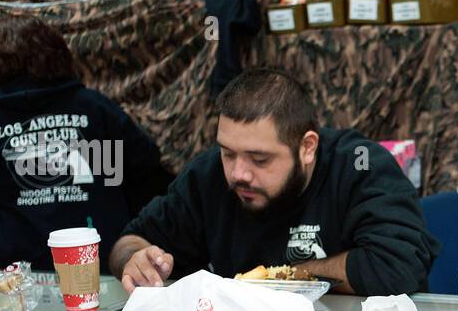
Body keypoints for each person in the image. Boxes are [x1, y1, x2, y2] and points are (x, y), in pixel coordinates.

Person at [111, 66, 439, 295]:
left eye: (260, 159)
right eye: (228, 153)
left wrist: (283, 279)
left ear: (307, 147)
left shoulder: (359, 166)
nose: (239, 173)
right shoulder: (208, 174)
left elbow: (399, 266)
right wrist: (137, 259)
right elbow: (128, 242)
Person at [0, 17, 173, 271]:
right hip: (99, 267)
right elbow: (145, 164)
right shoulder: (96, 110)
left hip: (20, 274)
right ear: (59, 55)